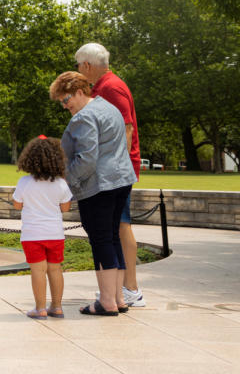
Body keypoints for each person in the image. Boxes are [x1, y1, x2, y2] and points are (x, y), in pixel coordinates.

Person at [50, 70, 137, 316]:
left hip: (99, 185)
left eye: (66, 100)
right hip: (121, 180)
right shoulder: (108, 108)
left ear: (80, 91)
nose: (65, 106)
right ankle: (118, 298)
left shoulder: (83, 118)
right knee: (111, 237)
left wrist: (67, 182)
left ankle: (107, 301)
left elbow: (86, 159)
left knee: (101, 240)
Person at [75, 42, 145, 307]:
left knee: (120, 226)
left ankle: (130, 289)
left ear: (87, 65)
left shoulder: (110, 87)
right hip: (117, 169)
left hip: (117, 171)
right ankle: (119, 290)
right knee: (116, 227)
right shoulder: (103, 86)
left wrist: (116, 169)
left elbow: (125, 128)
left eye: (79, 66)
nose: (79, 71)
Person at [12, 135, 73, 319]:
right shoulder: (61, 183)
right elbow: (65, 208)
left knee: (38, 271)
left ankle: (40, 308)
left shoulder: (24, 182)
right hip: (55, 234)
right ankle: (57, 307)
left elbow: (17, 205)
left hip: (32, 235)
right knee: (55, 269)